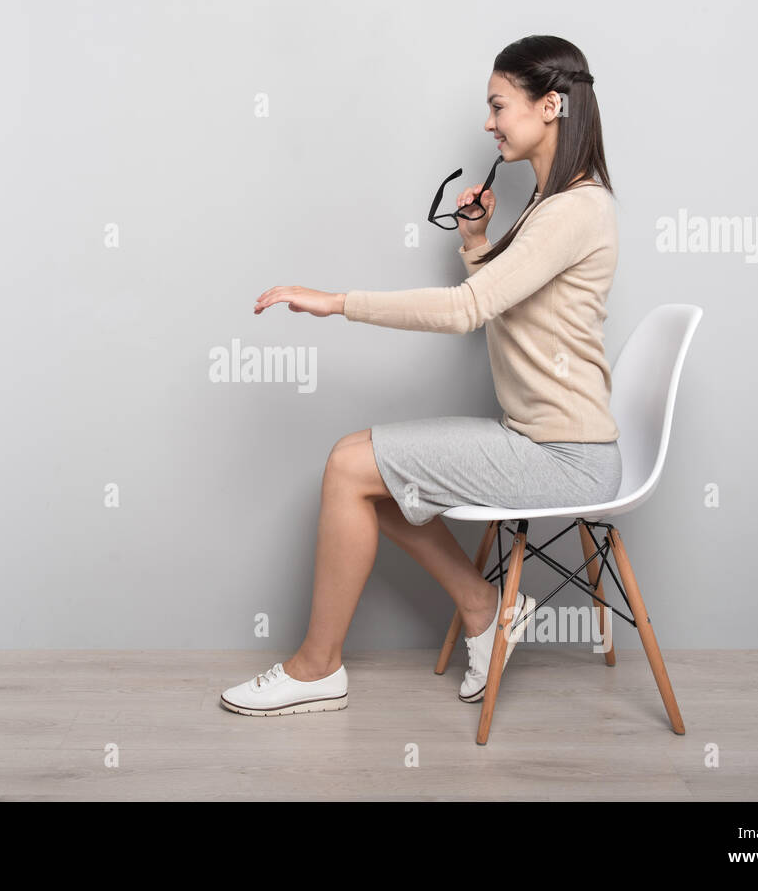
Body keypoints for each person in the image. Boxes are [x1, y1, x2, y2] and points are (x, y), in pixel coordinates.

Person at [220, 35, 624, 716]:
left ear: (550, 104)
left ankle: (317, 667)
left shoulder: (575, 210)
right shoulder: (556, 207)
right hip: (543, 441)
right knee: (372, 479)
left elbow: (470, 311)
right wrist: (474, 243)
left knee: (350, 464)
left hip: (564, 457)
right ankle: (484, 607)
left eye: (499, 105)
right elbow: (510, 307)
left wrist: (337, 302)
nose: (489, 122)